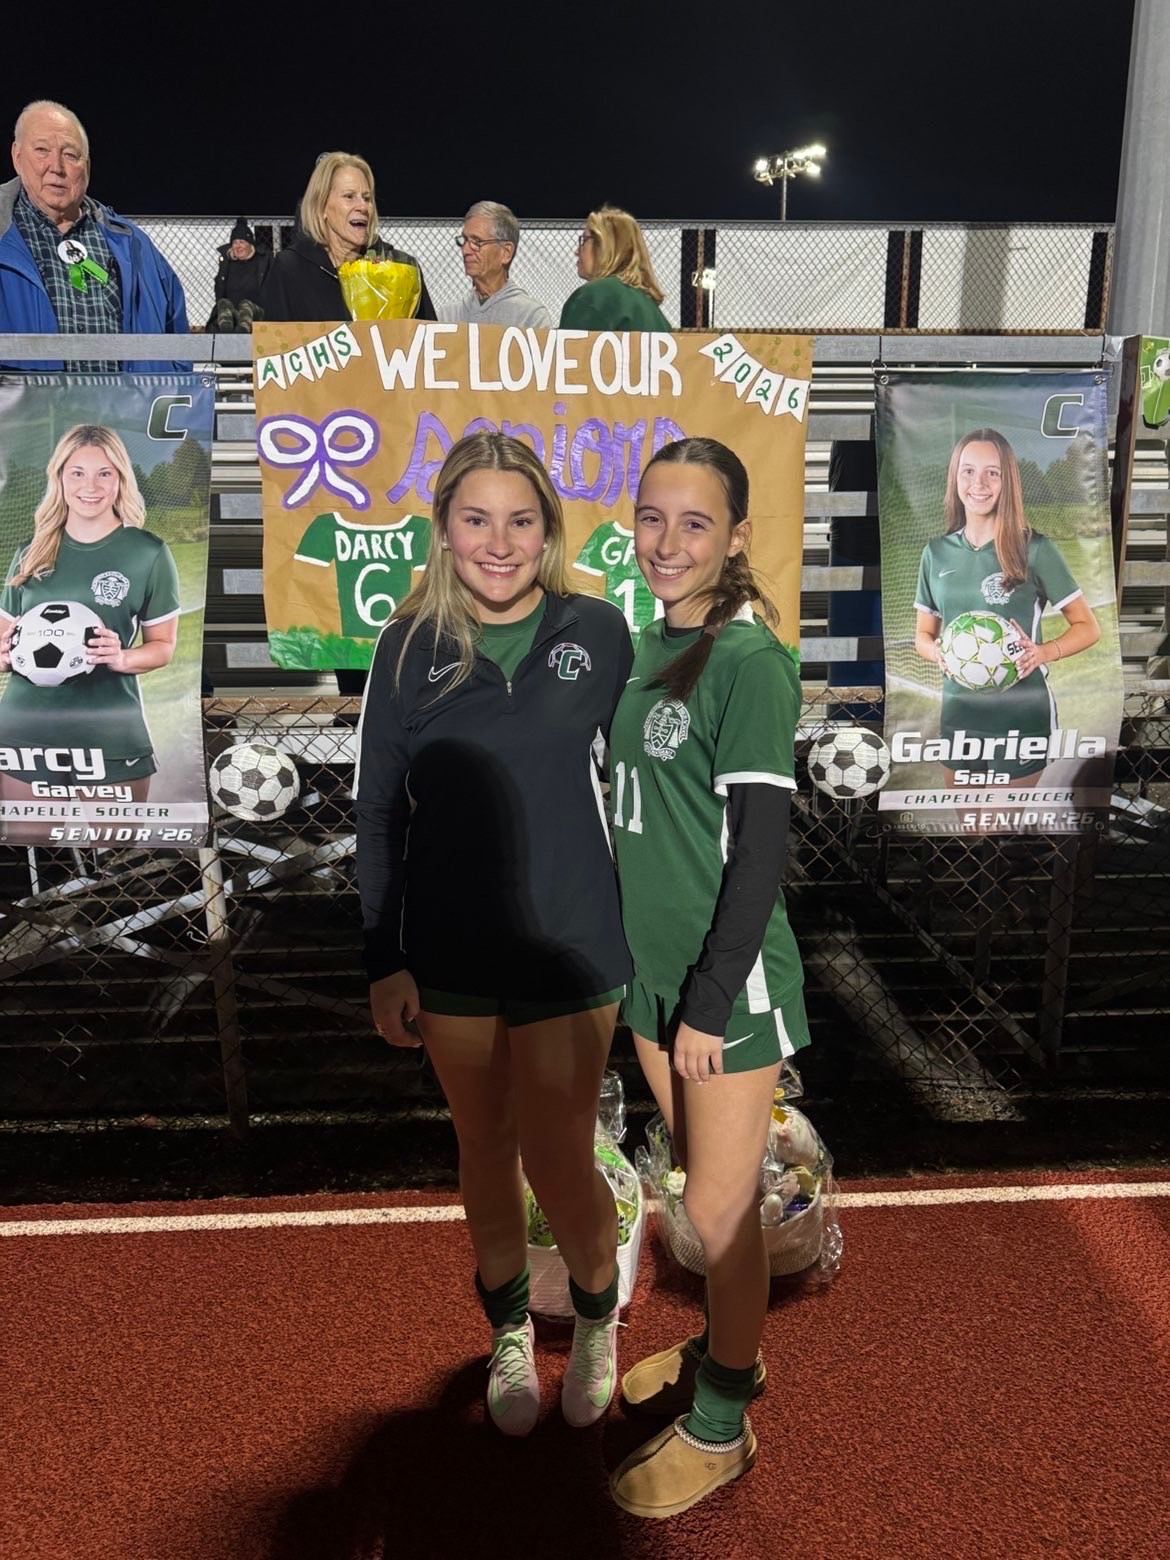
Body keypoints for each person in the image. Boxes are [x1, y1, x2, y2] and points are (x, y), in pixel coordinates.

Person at [354, 432, 633, 1438]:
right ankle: (510, 1330)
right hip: (451, 950)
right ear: (443, 529)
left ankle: (599, 1320)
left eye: (522, 520)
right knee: (485, 1149)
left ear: (549, 530)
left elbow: (652, 780)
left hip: (572, 943)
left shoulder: (600, 632)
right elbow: (378, 810)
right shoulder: (404, 643)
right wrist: (384, 955)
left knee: (561, 1157)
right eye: (477, 519)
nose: (499, 541)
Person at [604, 437, 808, 1519]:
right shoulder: (645, 645)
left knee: (726, 1217)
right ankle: (729, 1353)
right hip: (653, 981)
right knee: (699, 1195)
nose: (667, 542)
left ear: (735, 537)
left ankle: (724, 1424)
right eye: (651, 518)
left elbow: (762, 850)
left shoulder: (747, 660)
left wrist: (711, 1003)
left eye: (693, 523)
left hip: (718, 992)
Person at [0, 425, 180, 810]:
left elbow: (163, 647)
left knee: (117, 860)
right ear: (60, 478)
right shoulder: (30, 552)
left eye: (104, 473)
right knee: (36, 860)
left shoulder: (147, 552)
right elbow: (2, 641)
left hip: (110, 729)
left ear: (120, 479)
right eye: (77, 473)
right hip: (26, 731)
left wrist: (122, 658)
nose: (90, 486)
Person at [913, 427, 1101, 787]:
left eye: (992, 473)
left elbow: (1088, 627)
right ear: (955, 478)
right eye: (968, 471)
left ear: (1008, 481)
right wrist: (940, 654)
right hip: (959, 712)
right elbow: (923, 635)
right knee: (968, 833)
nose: (978, 483)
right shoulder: (935, 553)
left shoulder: (1035, 549)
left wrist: (1044, 652)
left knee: (1006, 832)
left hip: (1020, 714)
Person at [0, 100, 188, 371]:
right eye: (42, 150)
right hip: (25, 412)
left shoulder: (134, 246)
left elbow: (177, 344)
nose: (56, 167)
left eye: (71, 155)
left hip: (121, 411)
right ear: (17, 157)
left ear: (86, 167)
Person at [260, 152, 435, 325]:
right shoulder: (290, 269)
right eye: (349, 196)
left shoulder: (402, 269)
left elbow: (433, 342)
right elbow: (276, 347)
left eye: (367, 198)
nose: (363, 207)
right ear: (322, 207)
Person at [559, 206, 670, 331]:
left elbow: (571, 348)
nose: (577, 251)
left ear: (603, 245)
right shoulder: (650, 306)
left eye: (584, 240)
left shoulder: (594, 296)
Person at [445, 201, 551, 328]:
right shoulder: (447, 316)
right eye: (465, 240)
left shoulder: (530, 317)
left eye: (477, 241)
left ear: (506, 252)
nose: (465, 250)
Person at [208, 218, 270, 332]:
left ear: (250, 244)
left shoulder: (263, 260)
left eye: (242, 242)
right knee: (223, 303)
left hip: (257, 311)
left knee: (246, 306)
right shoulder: (227, 262)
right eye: (235, 242)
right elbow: (219, 289)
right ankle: (226, 336)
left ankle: (242, 334)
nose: (238, 246)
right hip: (234, 311)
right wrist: (225, 260)